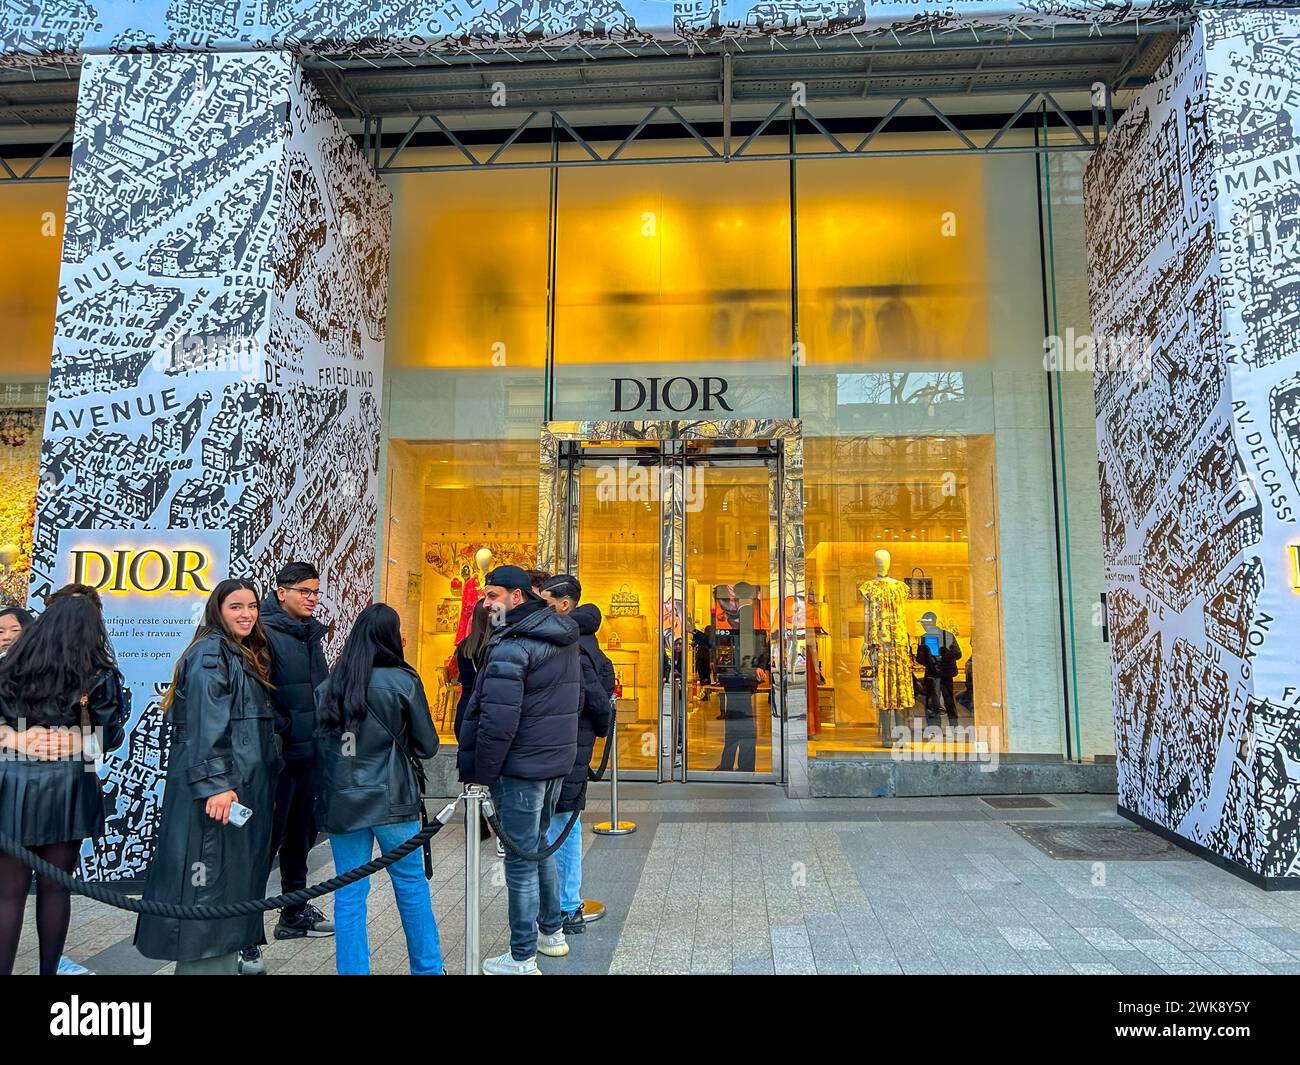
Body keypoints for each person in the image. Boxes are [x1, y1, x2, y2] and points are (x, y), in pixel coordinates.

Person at [135, 579, 281, 975]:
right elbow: (206, 725)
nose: (247, 614)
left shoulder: (236, 653)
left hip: (237, 794)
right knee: (211, 894)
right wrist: (217, 785)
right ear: (218, 609)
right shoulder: (212, 655)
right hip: (219, 799)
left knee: (227, 892)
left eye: (251, 605)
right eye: (236, 606)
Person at [457, 565, 580, 976]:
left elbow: (498, 720)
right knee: (539, 846)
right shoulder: (559, 635)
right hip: (551, 762)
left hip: (522, 766)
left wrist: (483, 774)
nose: (486, 602)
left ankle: (522, 955)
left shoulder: (513, 643)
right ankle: (551, 933)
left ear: (517, 596)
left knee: (521, 860)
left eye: (492, 595)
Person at [0, 591, 127, 976]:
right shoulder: (98, 673)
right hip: (70, 780)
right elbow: (110, 734)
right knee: (57, 887)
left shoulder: (10, 667)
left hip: (12, 779)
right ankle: (49, 973)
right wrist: (73, 739)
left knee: (7, 892)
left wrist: (14, 737)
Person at [316, 603, 443, 975]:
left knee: (350, 893)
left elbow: (322, 748)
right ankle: (428, 969)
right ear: (391, 636)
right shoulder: (404, 681)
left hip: (343, 802)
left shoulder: (329, 686)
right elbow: (428, 746)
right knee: (410, 886)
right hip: (393, 800)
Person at [242, 562, 333, 975]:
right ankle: (244, 934)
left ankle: (294, 912)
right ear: (281, 592)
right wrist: (284, 734)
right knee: (263, 846)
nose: (311, 598)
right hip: (278, 761)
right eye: (304, 591)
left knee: (301, 839)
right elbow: (260, 694)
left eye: (315, 591)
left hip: (309, 756)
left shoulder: (309, 634)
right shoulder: (264, 632)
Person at [539, 575, 614, 934]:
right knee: (563, 823)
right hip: (570, 743)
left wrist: (598, 728)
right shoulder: (580, 640)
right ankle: (563, 903)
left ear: (564, 604)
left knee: (562, 824)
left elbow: (596, 699)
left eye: (547, 600)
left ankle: (565, 905)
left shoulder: (571, 643)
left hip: (567, 744)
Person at [915, 612, 961, 729]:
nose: (923, 625)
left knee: (932, 702)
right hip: (944, 673)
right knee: (948, 700)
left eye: (924, 623)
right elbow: (957, 654)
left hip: (934, 673)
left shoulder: (924, 638)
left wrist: (930, 657)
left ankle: (935, 727)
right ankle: (953, 727)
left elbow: (920, 659)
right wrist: (946, 655)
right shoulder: (948, 635)